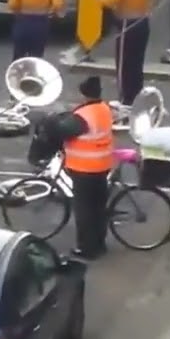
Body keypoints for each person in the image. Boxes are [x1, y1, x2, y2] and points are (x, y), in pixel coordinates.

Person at [90, 0, 154, 107]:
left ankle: (126, 98)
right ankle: (136, 95)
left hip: (128, 24)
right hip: (143, 23)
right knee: (136, 63)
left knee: (124, 64)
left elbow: (110, 0)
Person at [63, 76, 115, 260]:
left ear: (84, 94)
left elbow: (65, 130)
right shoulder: (104, 109)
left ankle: (86, 248)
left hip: (84, 169)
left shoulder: (84, 115)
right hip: (102, 166)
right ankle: (100, 244)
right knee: (99, 208)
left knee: (84, 210)